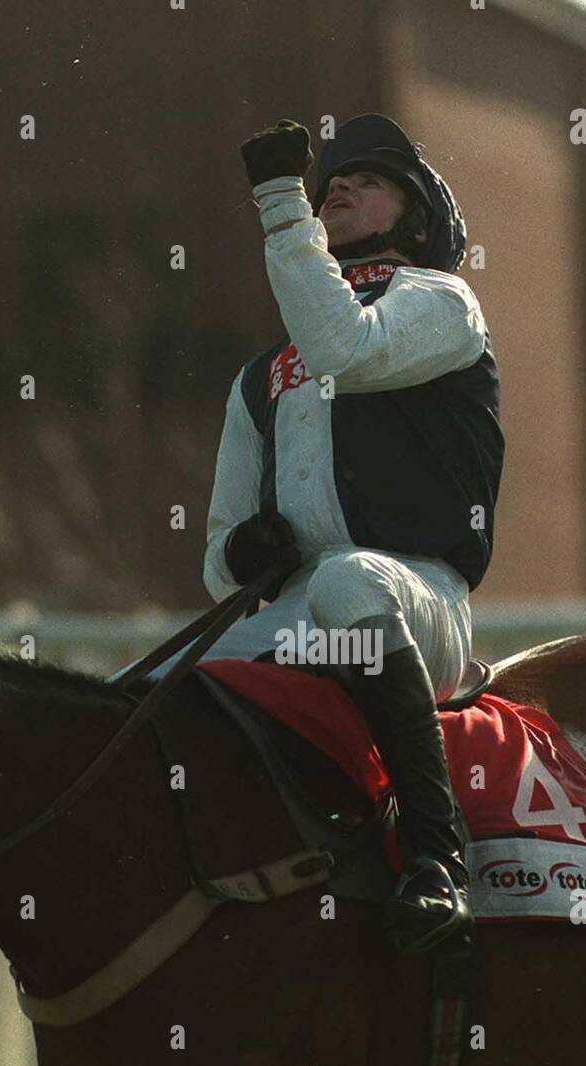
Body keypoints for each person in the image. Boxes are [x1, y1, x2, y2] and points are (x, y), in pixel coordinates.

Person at [160, 114, 504, 953]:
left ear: (416, 220)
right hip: (306, 610)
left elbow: (341, 345)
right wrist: (247, 550)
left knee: (352, 579)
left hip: (422, 601)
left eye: (368, 180)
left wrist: (282, 200)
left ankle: (437, 859)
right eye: (326, 185)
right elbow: (216, 562)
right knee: (157, 689)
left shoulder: (440, 302)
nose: (337, 187)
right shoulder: (256, 380)